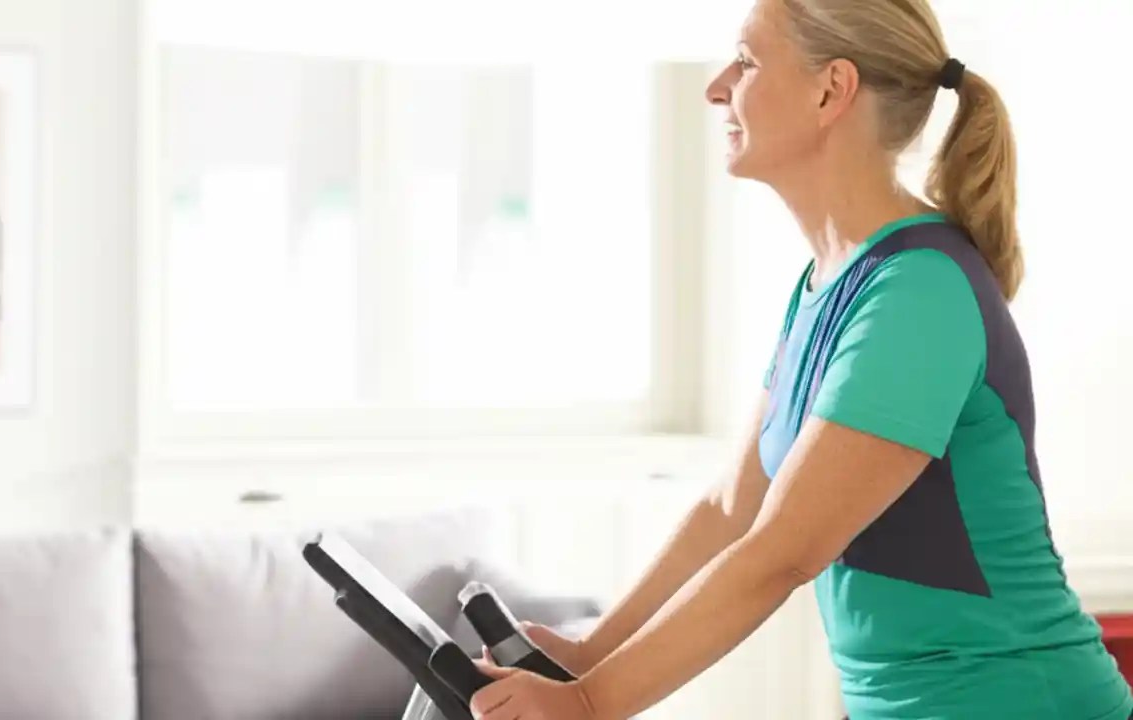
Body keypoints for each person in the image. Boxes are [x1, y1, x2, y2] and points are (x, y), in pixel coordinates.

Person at [467, 0, 1133, 718]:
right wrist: (589, 653)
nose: (717, 86)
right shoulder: (832, 283)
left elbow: (781, 551)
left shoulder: (920, 293)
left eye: (747, 62)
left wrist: (591, 704)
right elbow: (731, 509)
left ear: (830, 90)